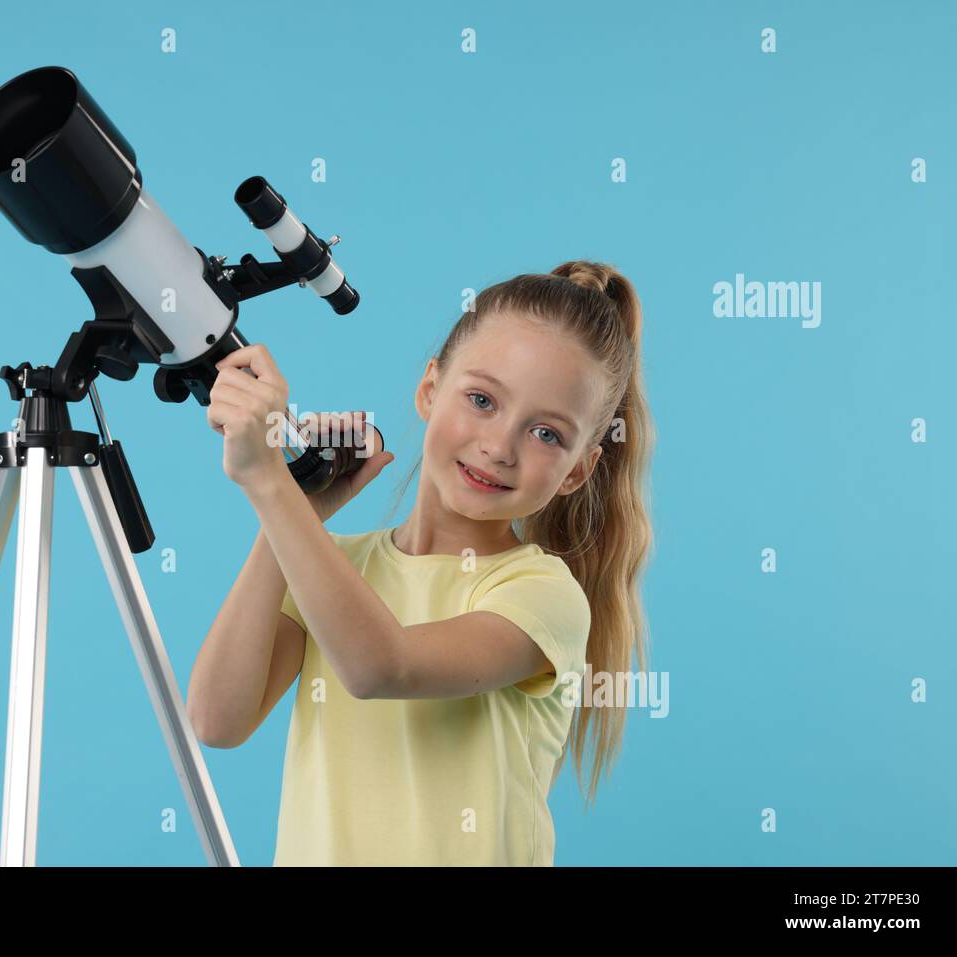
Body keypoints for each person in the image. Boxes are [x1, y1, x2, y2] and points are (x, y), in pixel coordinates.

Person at [187, 260, 655, 866]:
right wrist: (298, 509)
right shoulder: (330, 566)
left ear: (579, 471)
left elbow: (383, 667)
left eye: (547, 434)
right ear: (430, 389)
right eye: (482, 399)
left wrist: (269, 483)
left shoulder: (541, 594)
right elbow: (217, 719)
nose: (499, 446)